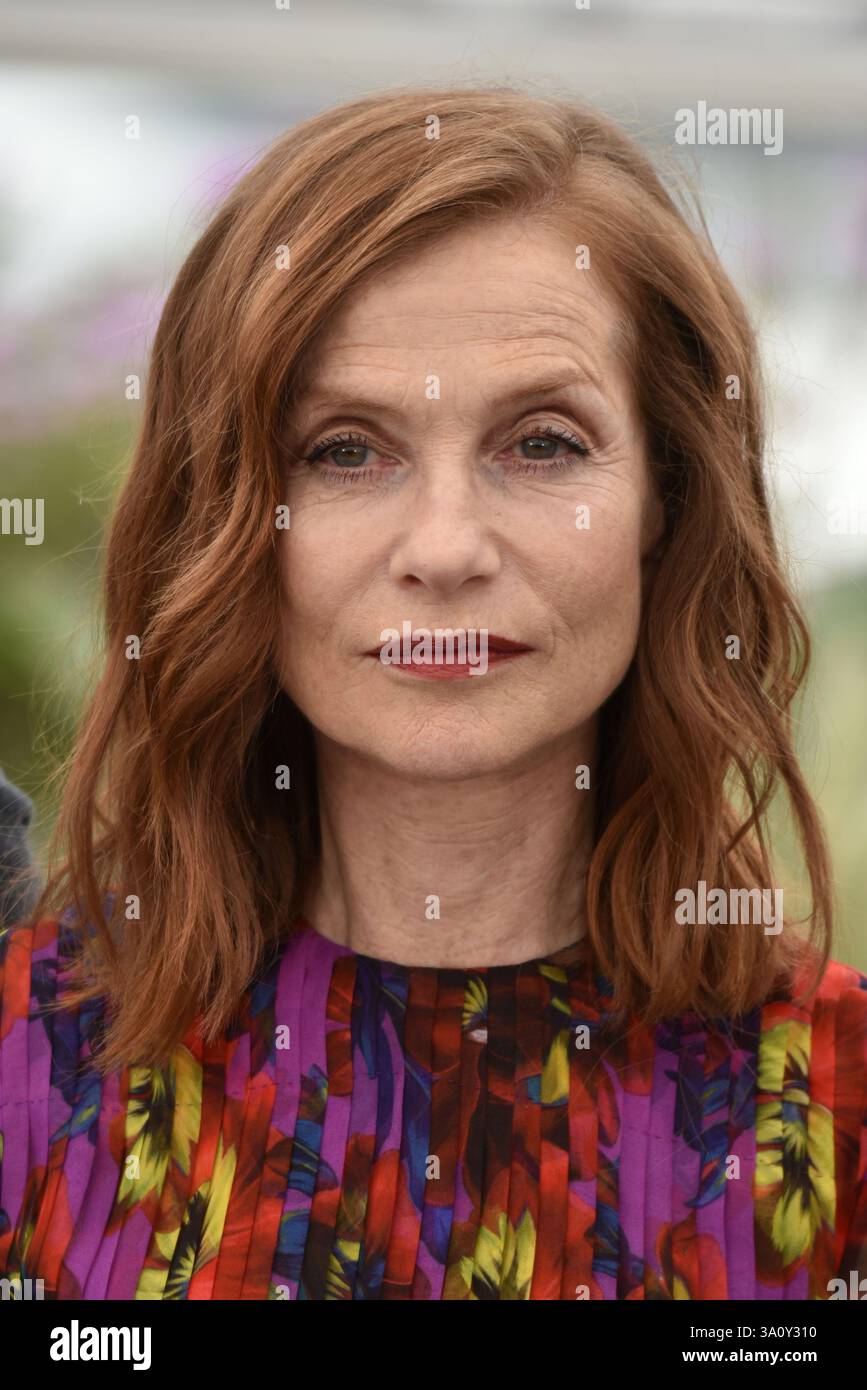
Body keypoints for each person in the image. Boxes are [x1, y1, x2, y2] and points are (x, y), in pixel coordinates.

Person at [1, 85, 864, 1301]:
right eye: (345, 450)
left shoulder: (840, 1109)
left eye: (544, 443)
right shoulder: (26, 1063)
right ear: (227, 522)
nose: (446, 545)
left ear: (666, 505)